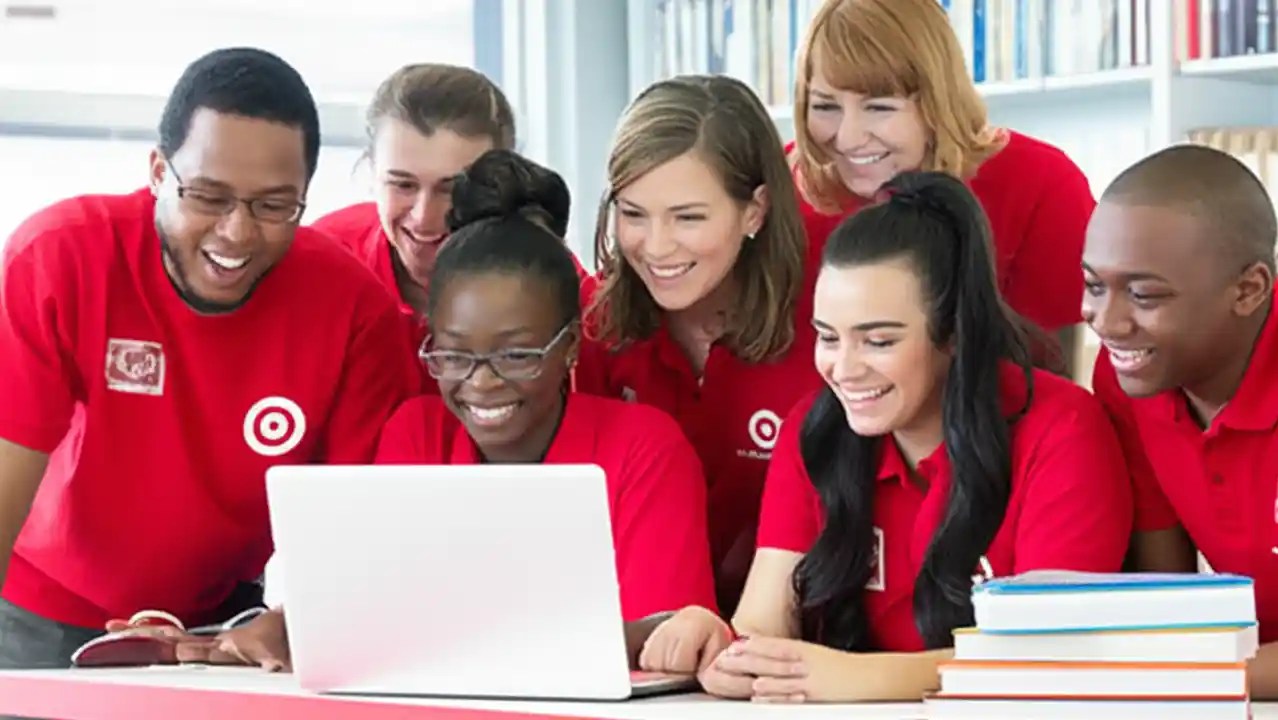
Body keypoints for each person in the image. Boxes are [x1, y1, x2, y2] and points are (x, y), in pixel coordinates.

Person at [172, 149, 723, 674]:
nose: (481, 382)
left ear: (571, 346)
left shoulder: (643, 449)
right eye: (454, 356)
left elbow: (664, 645)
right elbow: (380, 615)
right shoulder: (417, 435)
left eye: (517, 356)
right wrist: (296, 626)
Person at [0, 47, 418, 668]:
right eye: (207, 196)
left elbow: (354, 525)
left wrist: (291, 622)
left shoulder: (354, 310)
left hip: (222, 628)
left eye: (273, 205)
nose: (236, 233)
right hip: (37, 610)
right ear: (157, 172)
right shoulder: (60, 257)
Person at [653, 170, 1133, 702]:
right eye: (828, 338)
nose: (843, 369)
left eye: (878, 341)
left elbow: (1053, 652)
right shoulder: (813, 430)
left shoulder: (1061, 428)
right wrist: (729, 652)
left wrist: (864, 678)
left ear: (954, 333)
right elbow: (763, 624)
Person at [576, 74, 821, 621]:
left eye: (688, 217)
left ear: (755, 210)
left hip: (800, 635)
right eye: (633, 214)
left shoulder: (826, 322)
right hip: (642, 634)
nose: (656, 246)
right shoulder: (596, 321)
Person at [1085, 145, 1278, 699]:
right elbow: (1169, 601)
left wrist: (1178, 676)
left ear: (1248, 290)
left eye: (1144, 295)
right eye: (1094, 285)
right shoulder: (1130, 377)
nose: (1107, 322)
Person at [789, 0, 1093, 347]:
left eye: (879, 107)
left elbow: (1051, 361)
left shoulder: (1039, 183)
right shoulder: (777, 184)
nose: (847, 138)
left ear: (939, 102)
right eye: (825, 106)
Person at [309, 64, 516, 371]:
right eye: (403, 185)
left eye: (452, 189)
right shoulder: (322, 264)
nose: (423, 218)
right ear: (371, 171)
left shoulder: (548, 280)